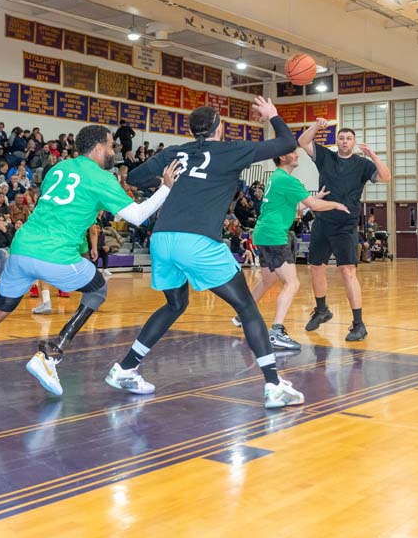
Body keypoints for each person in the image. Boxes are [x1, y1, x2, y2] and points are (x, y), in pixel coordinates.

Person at [0, 124, 179, 396]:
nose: (114, 150)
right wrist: (166, 188)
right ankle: (50, 356)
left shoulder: (58, 169)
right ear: (99, 147)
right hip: (54, 253)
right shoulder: (101, 178)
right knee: (98, 288)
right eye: (111, 145)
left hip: (21, 248)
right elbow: (138, 216)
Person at [111, 98, 305, 409]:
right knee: (246, 308)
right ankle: (273, 385)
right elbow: (286, 142)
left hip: (162, 239)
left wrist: (163, 181)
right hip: (197, 242)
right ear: (218, 129)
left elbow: (132, 178)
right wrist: (272, 115)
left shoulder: (177, 152)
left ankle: (125, 367)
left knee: (176, 304)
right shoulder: (230, 151)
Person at [236, 151, 349, 350]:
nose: (296, 155)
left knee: (268, 280)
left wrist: (316, 200)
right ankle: (277, 331)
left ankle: (242, 315)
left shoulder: (276, 178)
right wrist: (336, 204)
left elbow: (296, 208)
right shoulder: (286, 179)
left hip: (263, 233)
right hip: (274, 235)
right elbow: (313, 204)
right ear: (281, 158)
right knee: (292, 282)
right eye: (291, 153)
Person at [297, 119, 392, 342]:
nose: (344, 141)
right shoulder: (326, 157)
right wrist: (317, 127)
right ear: (337, 141)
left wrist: (374, 157)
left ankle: (359, 324)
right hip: (323, 220)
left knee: (348, 272)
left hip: (346, 225)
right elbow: (302, 141)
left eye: (349, 138)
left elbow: (386, 177)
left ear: (354, 142)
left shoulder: (362, 164)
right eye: (341, 138)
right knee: (315, 267)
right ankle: (322, 310)